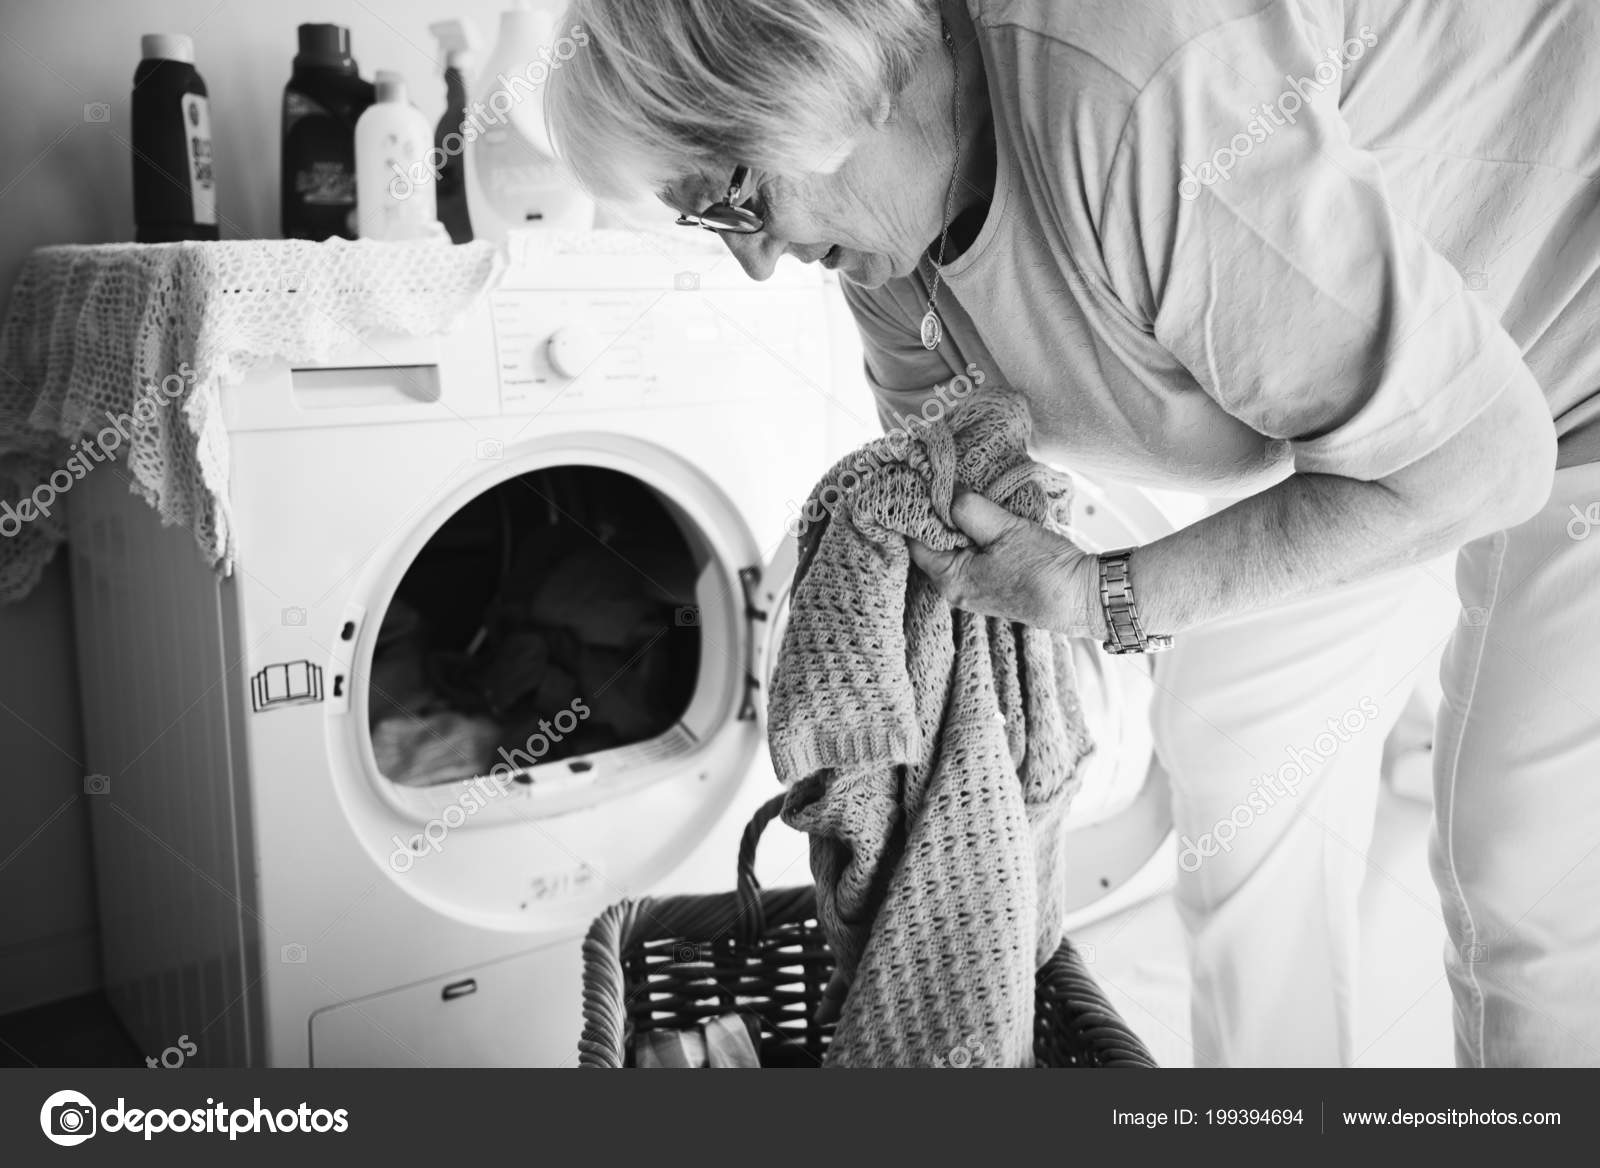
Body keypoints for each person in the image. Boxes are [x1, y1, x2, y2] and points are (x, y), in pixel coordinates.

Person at [547, 0, 1600, 1067]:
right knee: (1233, 724)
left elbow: (1475, 463)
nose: (758, 265)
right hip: (1386, 418)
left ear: (817, 82)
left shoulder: (1131, 100)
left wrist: (1104, 594)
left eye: (736, 199)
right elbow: (942, 488)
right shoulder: (880, 248)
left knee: (1521, 871)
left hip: (1565, 354)